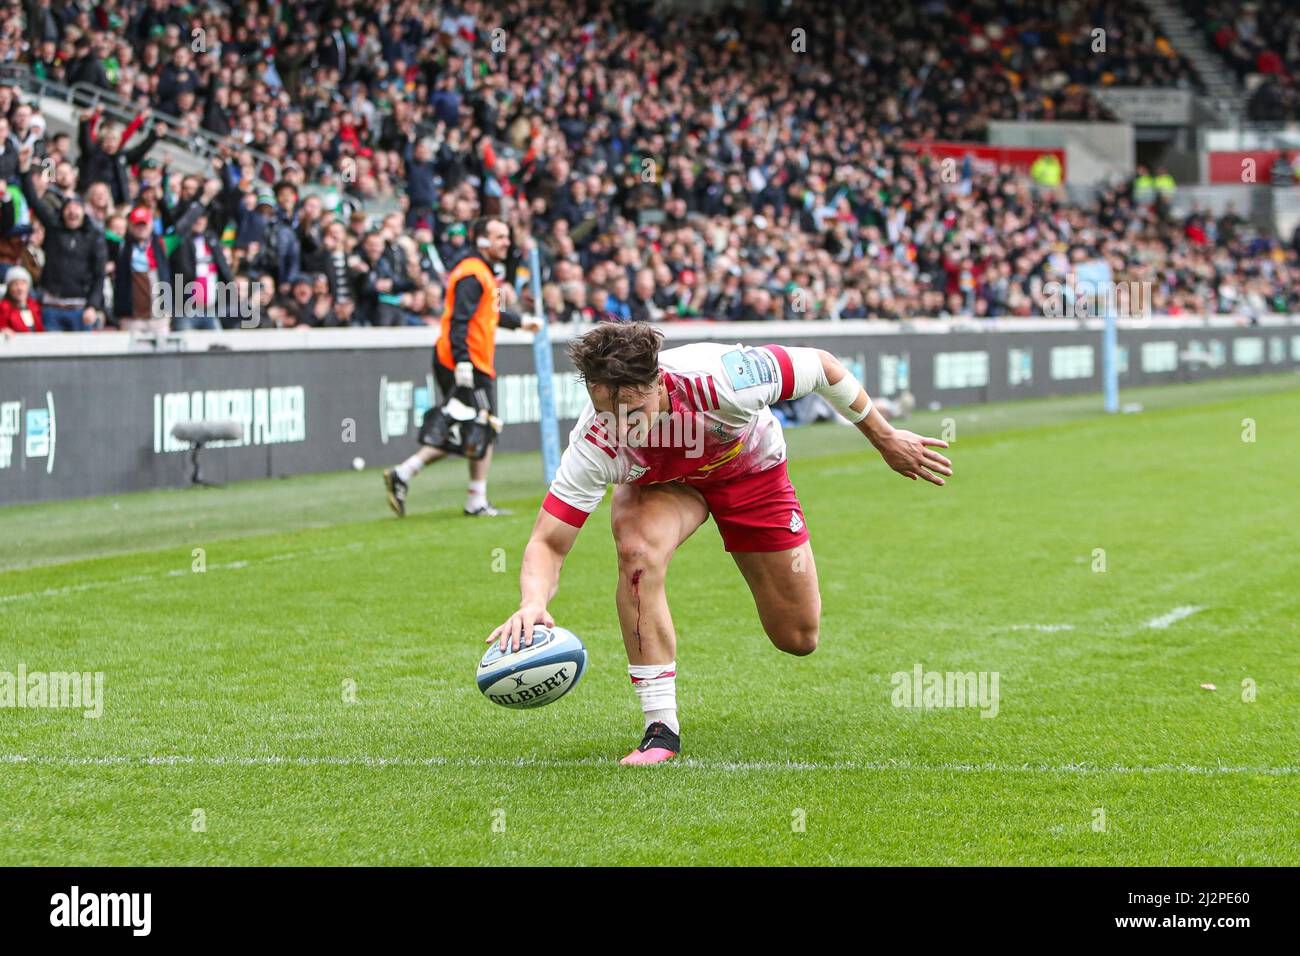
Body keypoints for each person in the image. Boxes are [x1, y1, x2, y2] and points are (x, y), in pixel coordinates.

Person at [487, 322, 953, 764]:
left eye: (633, 411)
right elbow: (549, 542)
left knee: (798, 637)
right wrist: (533, 602)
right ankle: (660, 728)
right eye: (608, 413)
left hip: (751, 473)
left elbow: (822, 366)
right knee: (637, 552)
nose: (621, 427)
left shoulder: (724, 379)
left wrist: (885, 437)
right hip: (666, 488)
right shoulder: (595, 443)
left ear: (658, 382)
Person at [383, 218, 539, 517]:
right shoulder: (471, 274)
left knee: (469, 426)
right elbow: (459, 321)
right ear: (482, 240)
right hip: (466, 361)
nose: (506, 242)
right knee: (483, 425)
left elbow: (491, 314)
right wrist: (463, 361)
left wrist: (521, 322)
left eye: (507, 236)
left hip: (471, 360)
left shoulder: (485, 273)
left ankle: (404, 474)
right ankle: (474, 499)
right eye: (499, 236)